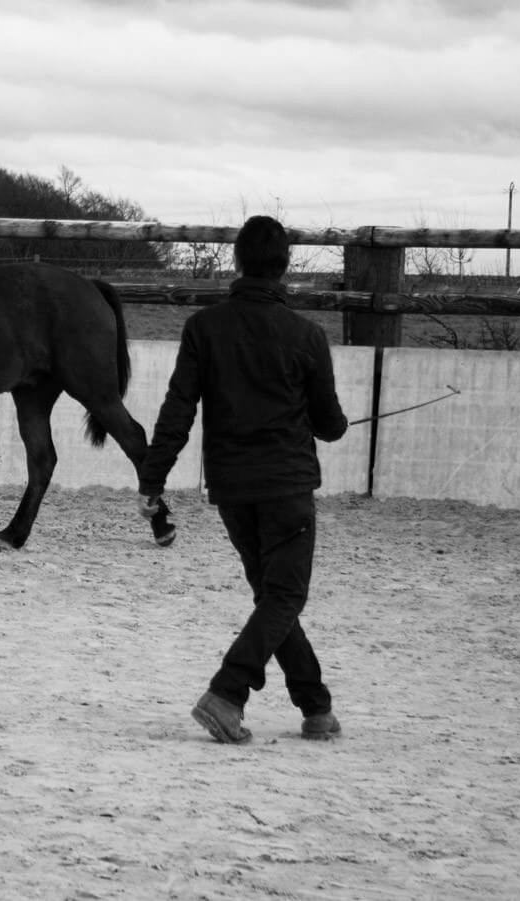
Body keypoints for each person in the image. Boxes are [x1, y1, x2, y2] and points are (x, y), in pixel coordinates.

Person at [137, 215, 348, 743]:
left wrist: (152, 479)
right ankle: (228, 694)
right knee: (284, 596)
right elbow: (330, 425)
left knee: (272, 597)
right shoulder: (307, 336)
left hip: (233, 489)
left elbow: (177, 409)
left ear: (238, 261)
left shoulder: (204, 328)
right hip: (288, 486)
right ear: (285, 267)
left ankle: (316, 708)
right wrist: (336, 421)